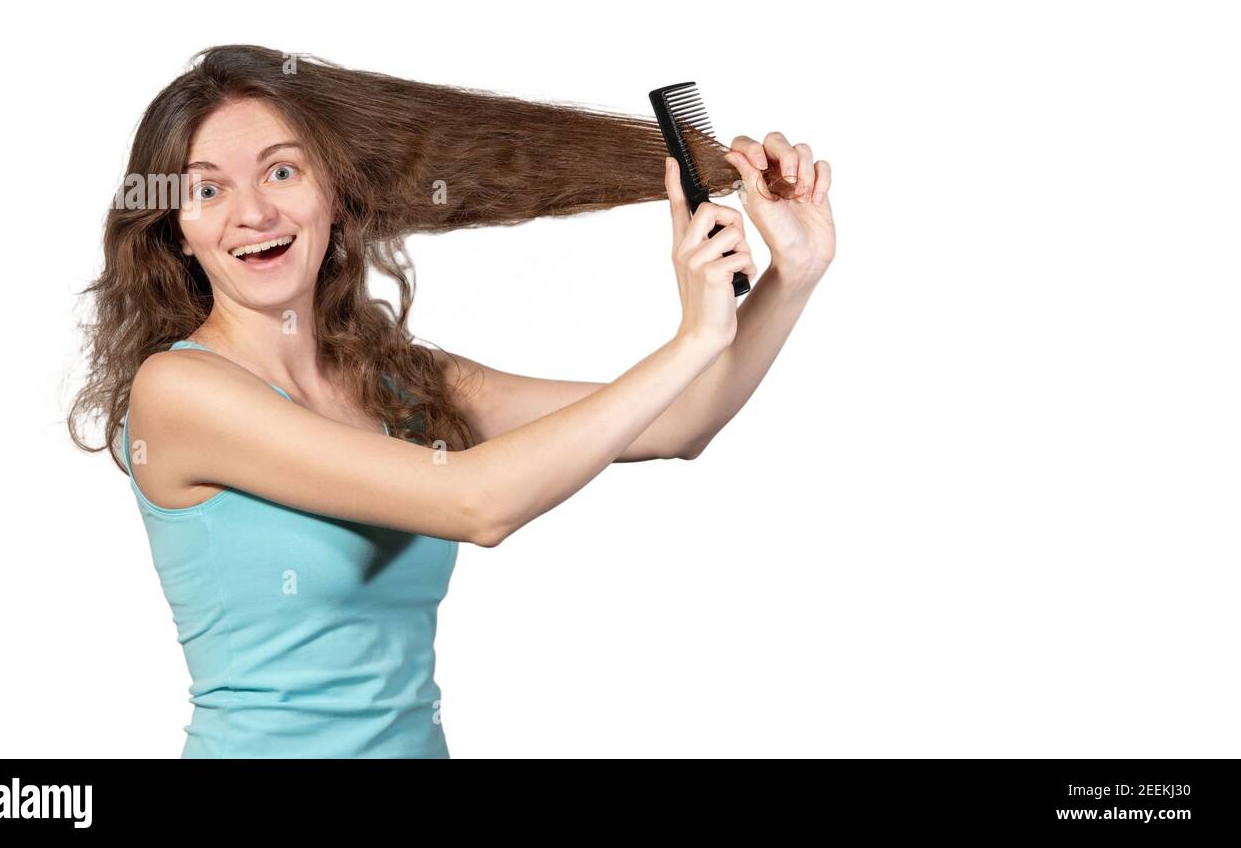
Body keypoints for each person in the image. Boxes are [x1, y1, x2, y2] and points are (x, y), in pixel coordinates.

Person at [69, 45, 835, 757]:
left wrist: (793, 273)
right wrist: (692, 339)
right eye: (208, 189)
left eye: (282, 172)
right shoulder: (180, 392)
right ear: (178, 230)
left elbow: (677, 422)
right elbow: (477, 503)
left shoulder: (398, 378)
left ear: (335, 191)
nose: (254, 214)